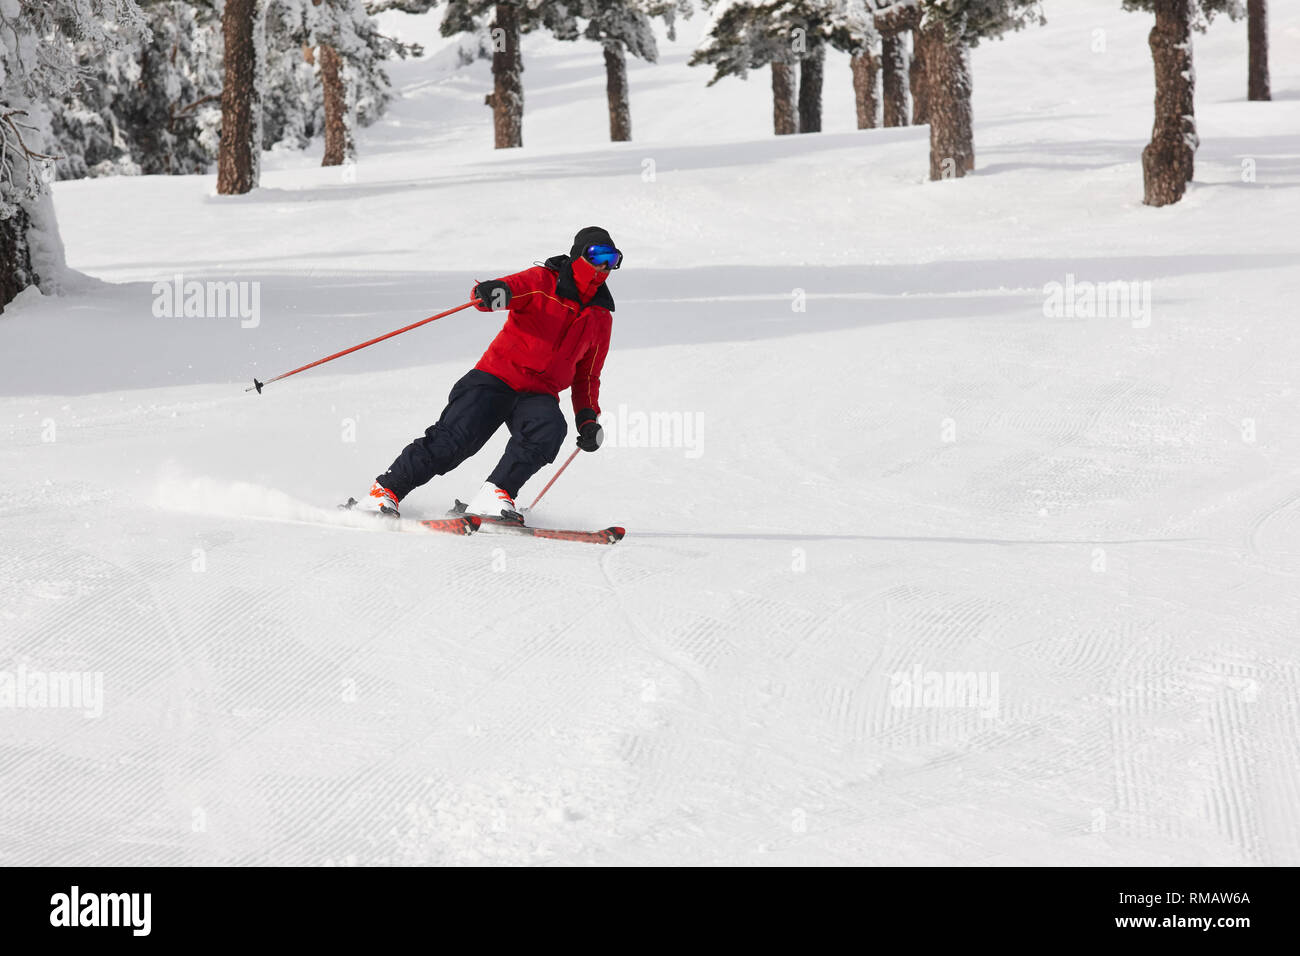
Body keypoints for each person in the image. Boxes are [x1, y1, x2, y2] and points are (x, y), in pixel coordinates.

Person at [354, 226, 619, 524]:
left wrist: (587, 418)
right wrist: (492, 293)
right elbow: (508, 290)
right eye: (597, 255)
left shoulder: (600, 317)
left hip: (539, 393)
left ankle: (495, 494)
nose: (603, 266)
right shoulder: (543, 281)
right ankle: (384, 490)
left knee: (549, 429)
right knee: (454, 441)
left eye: (612, 258)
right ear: (578, 255)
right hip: (496, 378)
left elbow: (587, 376)